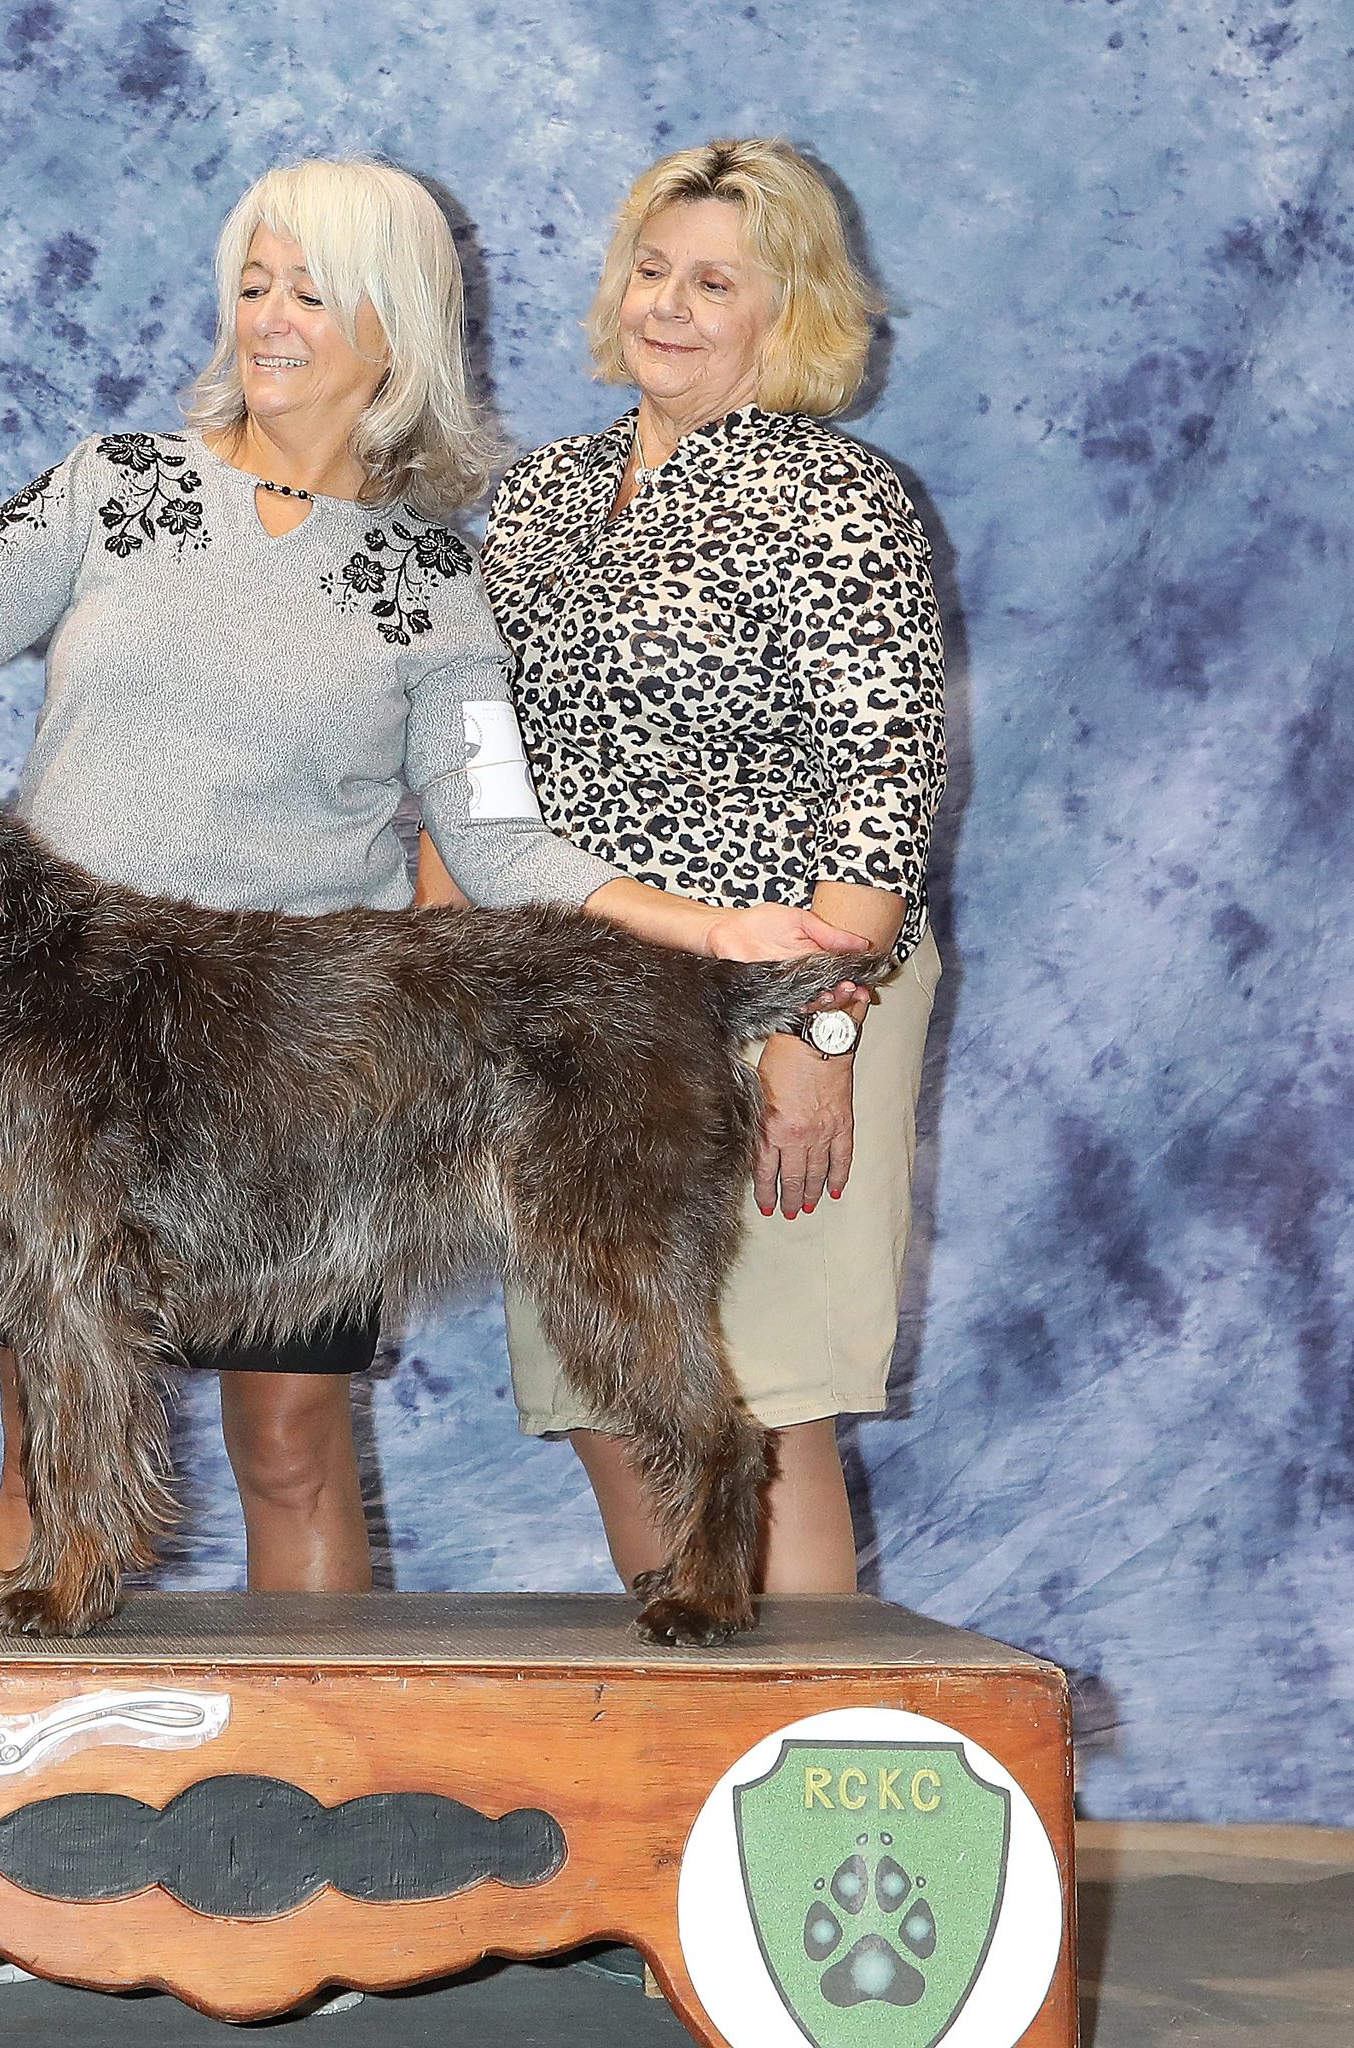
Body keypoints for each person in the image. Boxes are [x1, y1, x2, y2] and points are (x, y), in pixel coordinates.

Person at [0, 157, 868, 2012]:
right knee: (37, 1434)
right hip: (52, 1029)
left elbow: (505, 839)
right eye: (254, 282)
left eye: (312, 292)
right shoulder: (115, 488)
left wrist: (705, 935)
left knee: (290, 1439)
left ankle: (305, 1850)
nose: (270, 320)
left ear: (396, 335)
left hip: (319, 1053)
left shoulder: (430, 590)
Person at [434, 136, 946, 1611]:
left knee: (764, 1415)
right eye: (651, 269)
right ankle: (697, 1756)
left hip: (781, 998)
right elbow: (473, 768)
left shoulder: (837, 496)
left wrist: (817, 1029)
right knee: (619, 1399)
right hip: (570, 1014)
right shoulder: (540, 499)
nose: (667, 304)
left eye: (713, 280)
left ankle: (802, 1789)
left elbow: (877, 795)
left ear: (785, 310)